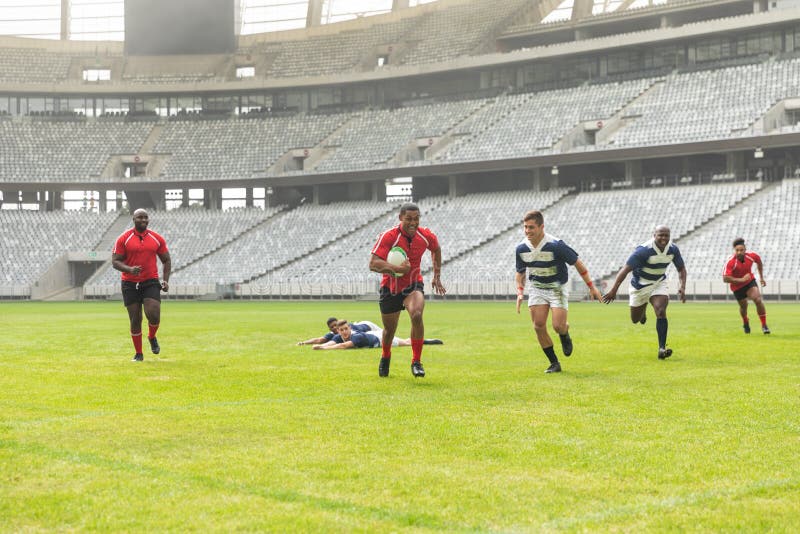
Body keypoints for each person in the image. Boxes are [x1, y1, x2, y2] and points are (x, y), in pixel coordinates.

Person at [515, 210, 603, 374]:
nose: (527, 231)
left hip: (557, 288)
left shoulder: (556, 245)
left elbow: (578, 264)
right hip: (537, 288)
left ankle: (564, 332)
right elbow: (520, 273)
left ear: (542, 227)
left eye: (531, 227)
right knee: (538, 325)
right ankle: (554, 363)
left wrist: (591, 286)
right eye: (525, 227)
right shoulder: (521, 248)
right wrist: (520, 292)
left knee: (558, 325)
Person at [369, 202, 446, 378]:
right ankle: (385, 356)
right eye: (409, 219)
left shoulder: (425, 235)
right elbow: (373, 264)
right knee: (389, 330)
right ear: (400, 218)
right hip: (391, 287)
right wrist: (396, 269)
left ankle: (416, 361)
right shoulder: (389, 236)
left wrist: (437, 275)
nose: (413, 222)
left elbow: (436, 248)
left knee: (417, 315)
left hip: (413, 284)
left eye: (416, 218)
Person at [602, 225, 687, 360]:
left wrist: (682, 287)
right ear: (654, 235)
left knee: (660, 311)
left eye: (666, 235)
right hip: (639, 286)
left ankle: (661, 348)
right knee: (635, 320)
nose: (663, 238)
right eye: (661, 235)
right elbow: (625, 270)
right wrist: (613, 290)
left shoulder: (673, 249)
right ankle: (642, 313)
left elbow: (681, 269)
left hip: (659, 283)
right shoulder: (643, 250)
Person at [111, 209, 171, 362]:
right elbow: (115, 262)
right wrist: (130, 269)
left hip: (150, 281)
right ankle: (139, 353)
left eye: (146, 217)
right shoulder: (123, 239)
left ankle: (152, 336)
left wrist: (165, 280)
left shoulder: (157, 238)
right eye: (140, 217)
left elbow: (166, 260)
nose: (143, 220)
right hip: (129, 283)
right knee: (135, 319)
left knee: (154, 314)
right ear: (134, 219)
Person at [722, 238, 770, 334]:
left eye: (741, 250)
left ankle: (764, 325)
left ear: (745, 249)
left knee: (758, 300)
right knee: (744, 307)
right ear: (734, 251)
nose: (739, 252)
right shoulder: (731, 262)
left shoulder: (752, 256)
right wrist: (741, 280)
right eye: (737, 250)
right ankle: (745, 321)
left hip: (749, 282)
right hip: (737, 287)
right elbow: (725, 278)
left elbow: (759, 262)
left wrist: (761, 277)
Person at [312, 319, 443, 350]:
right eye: (342, 330)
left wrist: (324, 348)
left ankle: (428, 341)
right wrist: (322, 346)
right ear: (338, 331)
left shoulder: (356, 336)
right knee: (406, 342)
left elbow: (344, 346)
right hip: (372, 333)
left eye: (346, 329)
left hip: (379, 338)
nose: (344, 332)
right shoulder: (337, 336)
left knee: (407, 343)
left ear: (349, 328)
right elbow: (331, 342)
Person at [296, 317, 381, 345]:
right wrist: (304, 343)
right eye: (332, 327)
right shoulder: (334, 334)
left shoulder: (348, 329)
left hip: (369, 326)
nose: (334, 327)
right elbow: (319, 340)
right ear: (330, 329)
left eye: (335, 325)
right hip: (368, 333)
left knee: (385, 334)